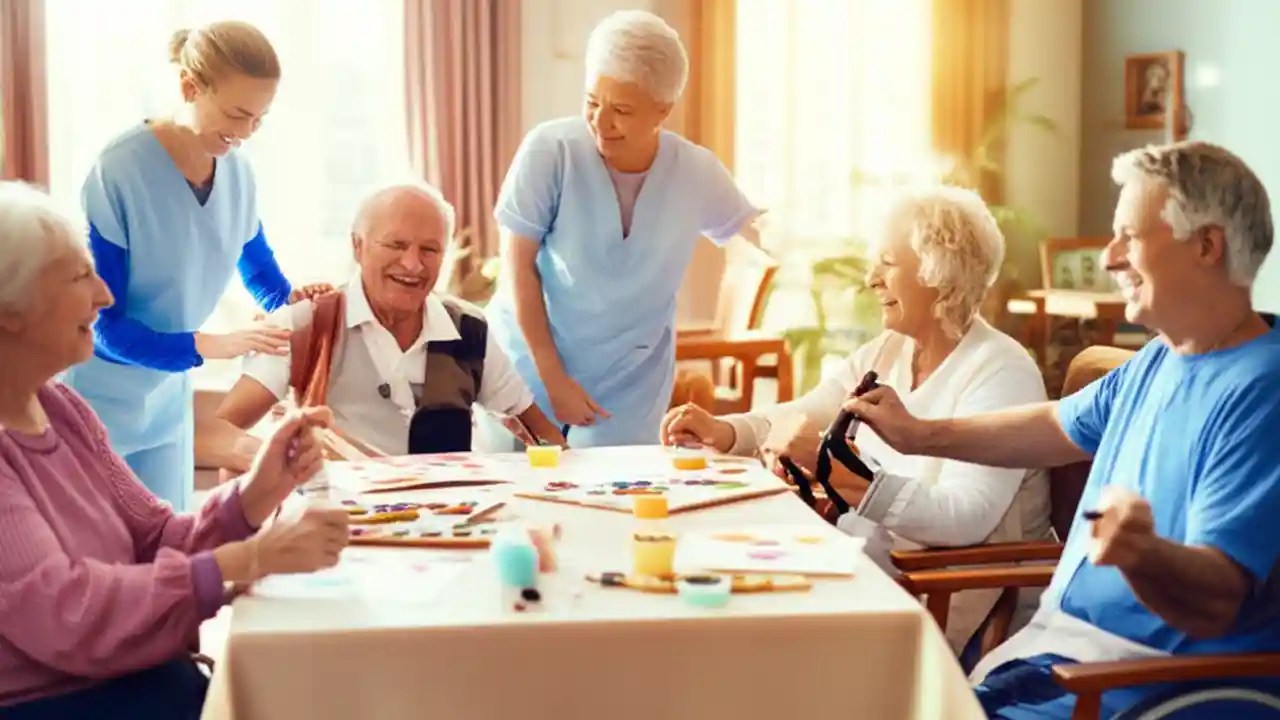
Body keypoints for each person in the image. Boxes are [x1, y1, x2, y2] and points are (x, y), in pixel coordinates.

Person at [845, 142, 1280, 719]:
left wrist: (1143, 555)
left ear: (1206, 245)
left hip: (1143, 686)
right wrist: (921, 434)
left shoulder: (1262, 389)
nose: (1109, 257)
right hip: (1060, 659)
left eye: (1130, 235)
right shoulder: (1160, 359)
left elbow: (1216, 601)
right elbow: (1055, 422)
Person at [0, 181, 349, 719]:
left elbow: (156, 538)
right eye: (78, 276)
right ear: (9, 309)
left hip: (140, 684)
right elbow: (67, 612)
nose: (105, 296)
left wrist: (256, 491)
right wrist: (248, 559)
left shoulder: (63, 408)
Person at [662, 186, 1052, 654]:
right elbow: (809, 409)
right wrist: (727, 431)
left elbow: (964, 518)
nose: (872, 278)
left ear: (938, 273)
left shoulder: (1000, 370)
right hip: (885, 575)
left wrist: (850, 480)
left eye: (888, 262)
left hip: (957, 604)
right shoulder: (893, 349)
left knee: (745, 633)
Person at [61, 21, 329, 512]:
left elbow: (261, 274)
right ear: (189, 87)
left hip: (166, 402)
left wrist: (294, 305)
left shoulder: (237, 173)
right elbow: (102, 324)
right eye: (237, 113)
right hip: (93, 400)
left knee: (171, 548)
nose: (247, 132)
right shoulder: (119, 171)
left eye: (260, 118)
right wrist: (209, 346)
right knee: (103, 561)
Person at [480, 9, 763, 451]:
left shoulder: (694, 171)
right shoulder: (549, 151)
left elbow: (752, 233)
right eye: (592, 101)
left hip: (629, 379)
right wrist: (553, 380)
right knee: (518, 497)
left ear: (663, 110)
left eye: (622, 110)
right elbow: (518, 270)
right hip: (529, 361)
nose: (600, 122)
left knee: (617, 497)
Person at [211, 182, 565, 469]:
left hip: (448, 526)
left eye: (429, 250)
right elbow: (220, 430)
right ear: (357, 246)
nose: (412, 264)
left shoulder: (469, 328)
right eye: (396, 245)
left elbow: (533, 425)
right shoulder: (303, 324)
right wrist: (289, 458)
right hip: (337, 530)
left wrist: (568, 482)